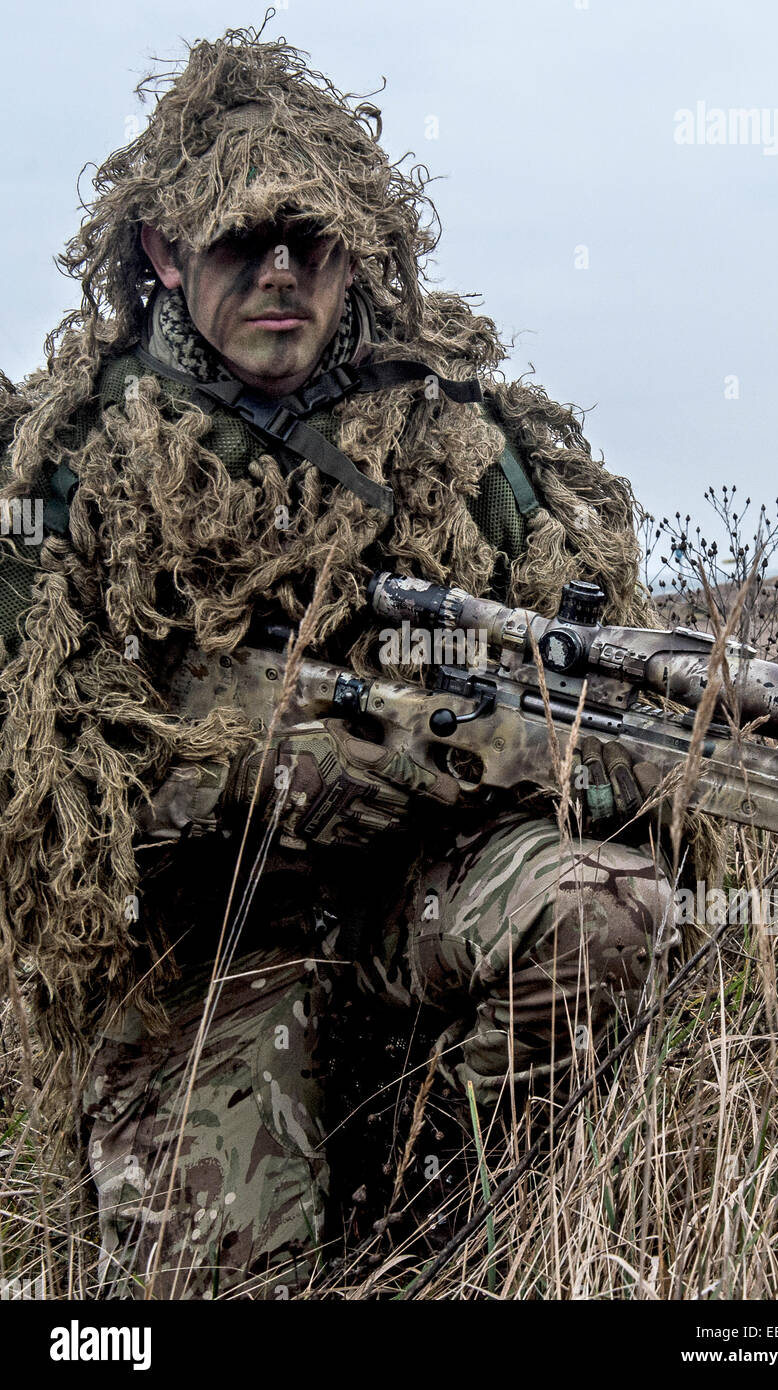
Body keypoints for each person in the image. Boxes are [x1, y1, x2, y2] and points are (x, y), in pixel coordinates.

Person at [0, 25, 692, 1298]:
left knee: (601, 905)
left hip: (418, 898)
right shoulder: (70, 465)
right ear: (160, 249)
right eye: (237, 241)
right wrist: (280, 766)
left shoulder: (446, 438)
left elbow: (586, 686)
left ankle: (430, 1223)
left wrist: (555, 767)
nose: (278, 275)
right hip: (196, 956)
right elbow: (39, 785)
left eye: (308, 242)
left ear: (353, 248)